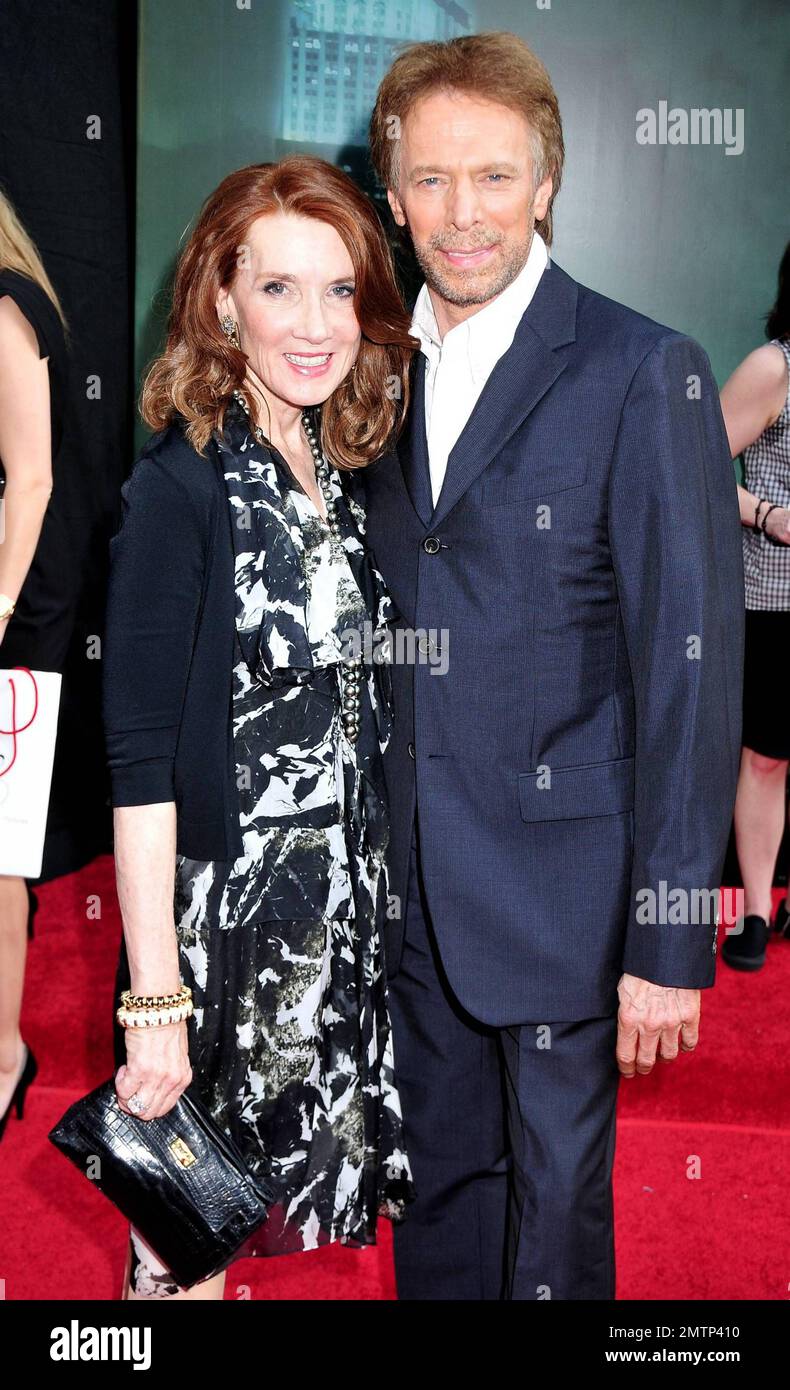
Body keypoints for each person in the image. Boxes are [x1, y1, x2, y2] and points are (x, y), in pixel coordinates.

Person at [360, 32, 745, 1300]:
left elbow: (688, 667)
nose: (460, 214)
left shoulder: (645, 370)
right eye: (429, 179)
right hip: (409, 893)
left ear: (548, 181)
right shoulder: (362, 372)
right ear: (394, 190)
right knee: (435, 1205)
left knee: (555, 1229)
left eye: (491, 176)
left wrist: (672, 933)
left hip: (567, 904)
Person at [102, 155, 417, 1300]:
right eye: (277, 288)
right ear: (221, 298)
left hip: (330, 932)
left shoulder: (337, 467)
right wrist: (154, 1009)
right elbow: (139, 770)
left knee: (243, 1238)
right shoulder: (179, 489)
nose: (314, 323)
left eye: (338, 290)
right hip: (218, 945)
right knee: (181, 1249)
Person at [0, 188, 70, 1144]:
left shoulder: (5, 301)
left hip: (11, 612)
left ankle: (4, 1051)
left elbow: (35, 474)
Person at [719, 241, 790, 971]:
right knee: (767, 760)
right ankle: (757, 912)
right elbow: (695, 459)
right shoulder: (776, 367)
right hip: (778, 600)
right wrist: (770, 514)